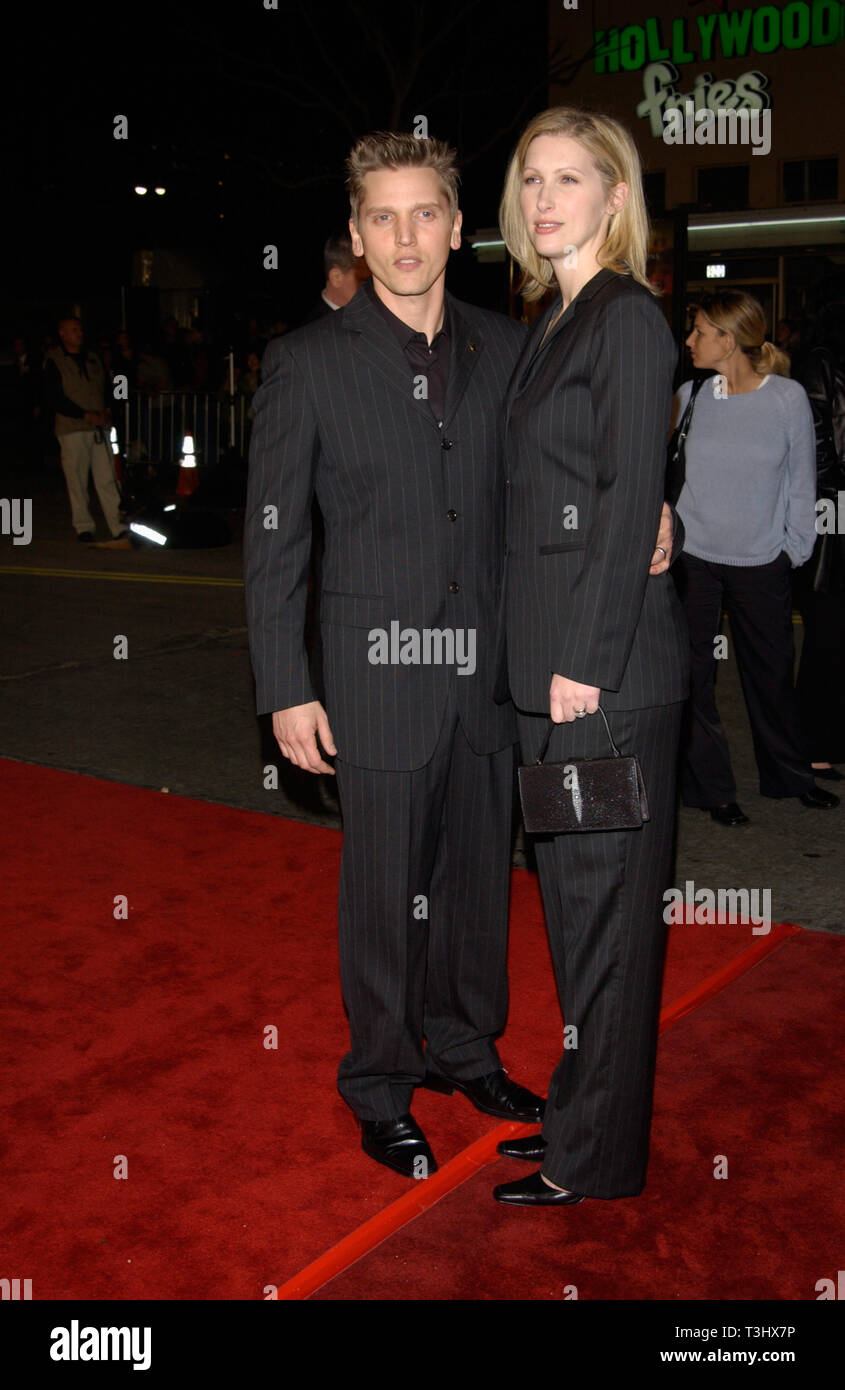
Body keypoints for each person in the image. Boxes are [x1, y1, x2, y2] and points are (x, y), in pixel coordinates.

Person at [244, 130, 677, 1181]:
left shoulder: (513, 346)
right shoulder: (306, 362)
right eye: (380, 217)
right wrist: (284, 684)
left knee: (480, 886)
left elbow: (578, 467)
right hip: (372, 679)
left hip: (497, 677)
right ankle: (382, 1080)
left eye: (424, 212)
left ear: (455, 225)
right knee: (386, 894)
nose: (404, 236)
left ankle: (465, 1048)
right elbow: (273, 537)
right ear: (354, 234)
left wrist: (654, 505)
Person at [492, 107, 691, 1208]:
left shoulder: (622, 319)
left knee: (605, 921)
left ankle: (594, 1157)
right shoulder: (553, 318)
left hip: (597, 683)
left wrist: (581, 660)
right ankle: (579, 1112)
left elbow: (627, 504)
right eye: (531, 179)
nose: (544, 198)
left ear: (615, 198)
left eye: (570, 178)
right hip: (556, 676)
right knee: (575, 912)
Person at [672, 290, 837, 825]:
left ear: (728, 338)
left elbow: (800, 481)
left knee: (771, 675)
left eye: (699, 331)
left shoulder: (785, 398)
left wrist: (794, 547)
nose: (690, 340)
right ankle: (711, 788)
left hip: (762, 559)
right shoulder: (689, 395)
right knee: (695, 679)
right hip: (694, 558)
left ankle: (789, 776)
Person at [792, 297, 845, 776]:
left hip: (836, 512)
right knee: (827, 633)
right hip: (834, 521)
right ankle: (816, 742)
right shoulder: (822, 364)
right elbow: (817, 447)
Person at [43, 317, 127, 542]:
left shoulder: (93, 357)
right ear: (62, 334)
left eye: (80, 329)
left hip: (99, 427)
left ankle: (118, 525)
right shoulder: (54, 361)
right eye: (73, 330)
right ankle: (84, 526)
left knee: (108, 477)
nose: (79, 333)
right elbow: (54, 396)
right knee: (77, 479)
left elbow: (107, 387)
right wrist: (83, 414)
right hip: (72, 428)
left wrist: (108, 409)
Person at [300, 231, 370, 324]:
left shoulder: (373, 315)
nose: (374, 288)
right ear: (336, 278)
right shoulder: (312, 331)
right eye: (363, 280)